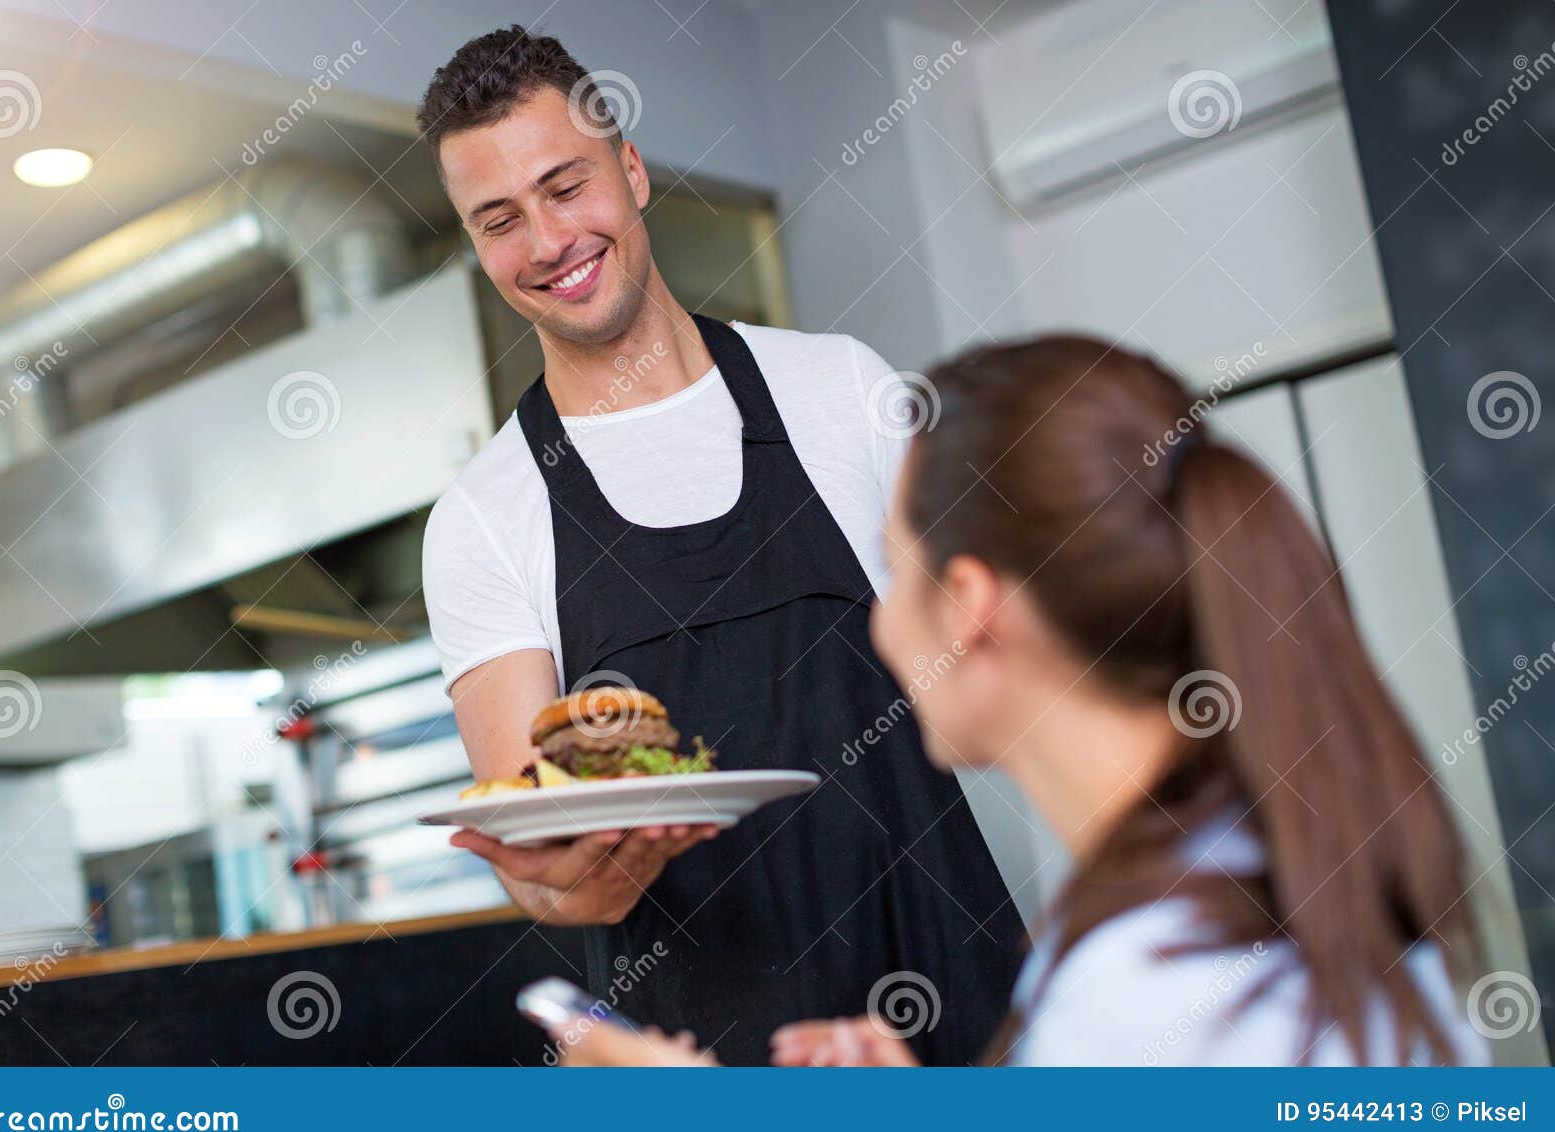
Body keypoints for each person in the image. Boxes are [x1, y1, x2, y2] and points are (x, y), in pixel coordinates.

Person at [563, 335, 1488, 1067]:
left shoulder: (1147, 986)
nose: (880, 627)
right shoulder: (1260, 869)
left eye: (895, 572)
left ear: (969, 608)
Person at [416, 26, 1024, 1066]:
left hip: (955, 1001)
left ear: (634, 172)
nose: (548, 240)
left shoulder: (843, 390)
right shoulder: (482, 513)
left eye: (567, 186)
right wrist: (572, 879)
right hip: (699, 1054)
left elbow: (1003, 658)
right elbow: (535, 844)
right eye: (500, 218)